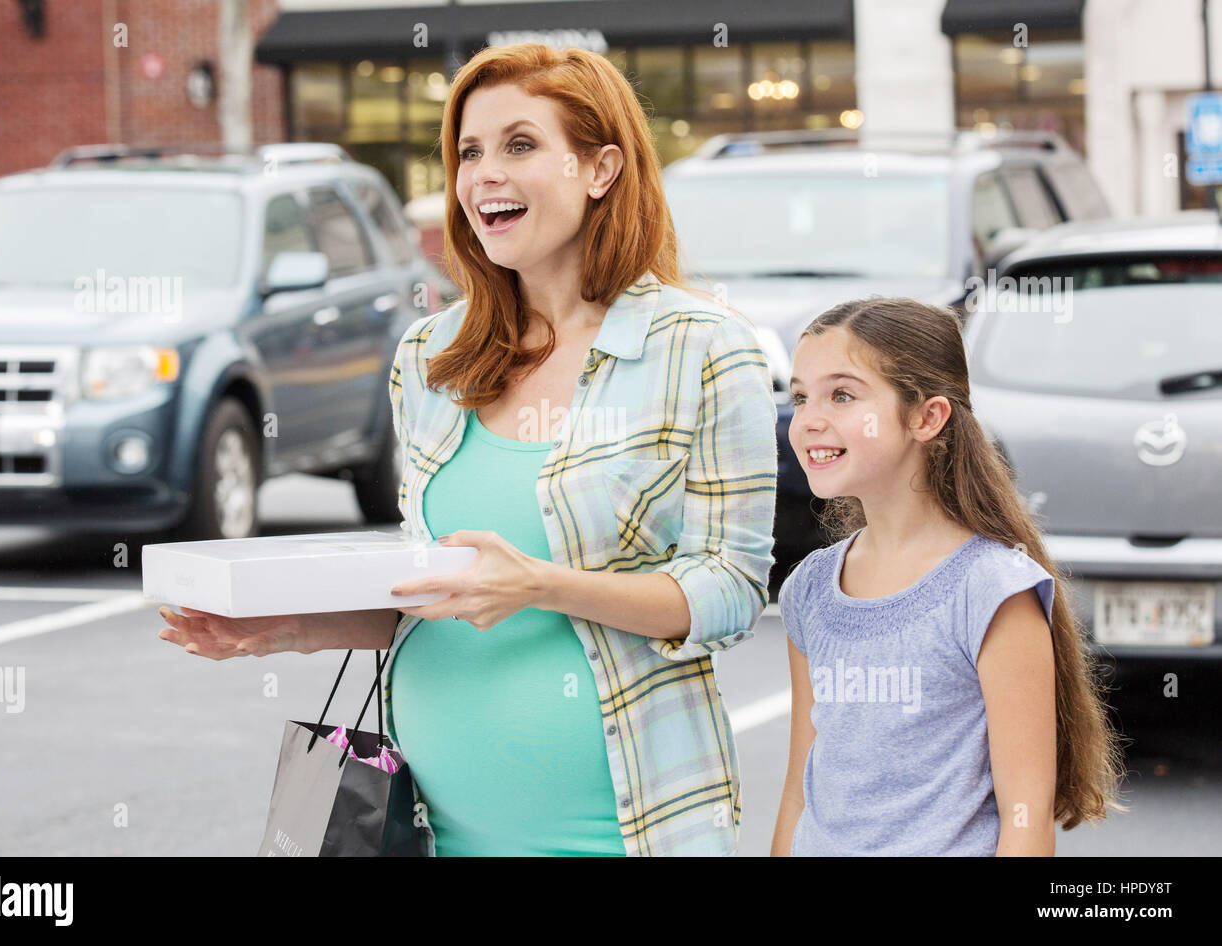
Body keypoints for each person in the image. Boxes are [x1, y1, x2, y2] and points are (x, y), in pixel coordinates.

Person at [158, 42, 778, 857]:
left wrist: (542, 586)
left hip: (624, 827)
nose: (484, 173)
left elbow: (731, 593)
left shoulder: (704, 348)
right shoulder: (431, 356)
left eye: (520, 145)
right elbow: (442, 593)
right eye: (468, 152)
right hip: (433, 831)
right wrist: (290, 630)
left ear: (601, 169)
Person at [770, 297, 1126, 856]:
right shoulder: (810, 590)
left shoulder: (992, 590)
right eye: (800, 396)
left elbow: (1025, 822)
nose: (808, 419)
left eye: (841, 395)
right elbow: (798, 794)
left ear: (927, 417)